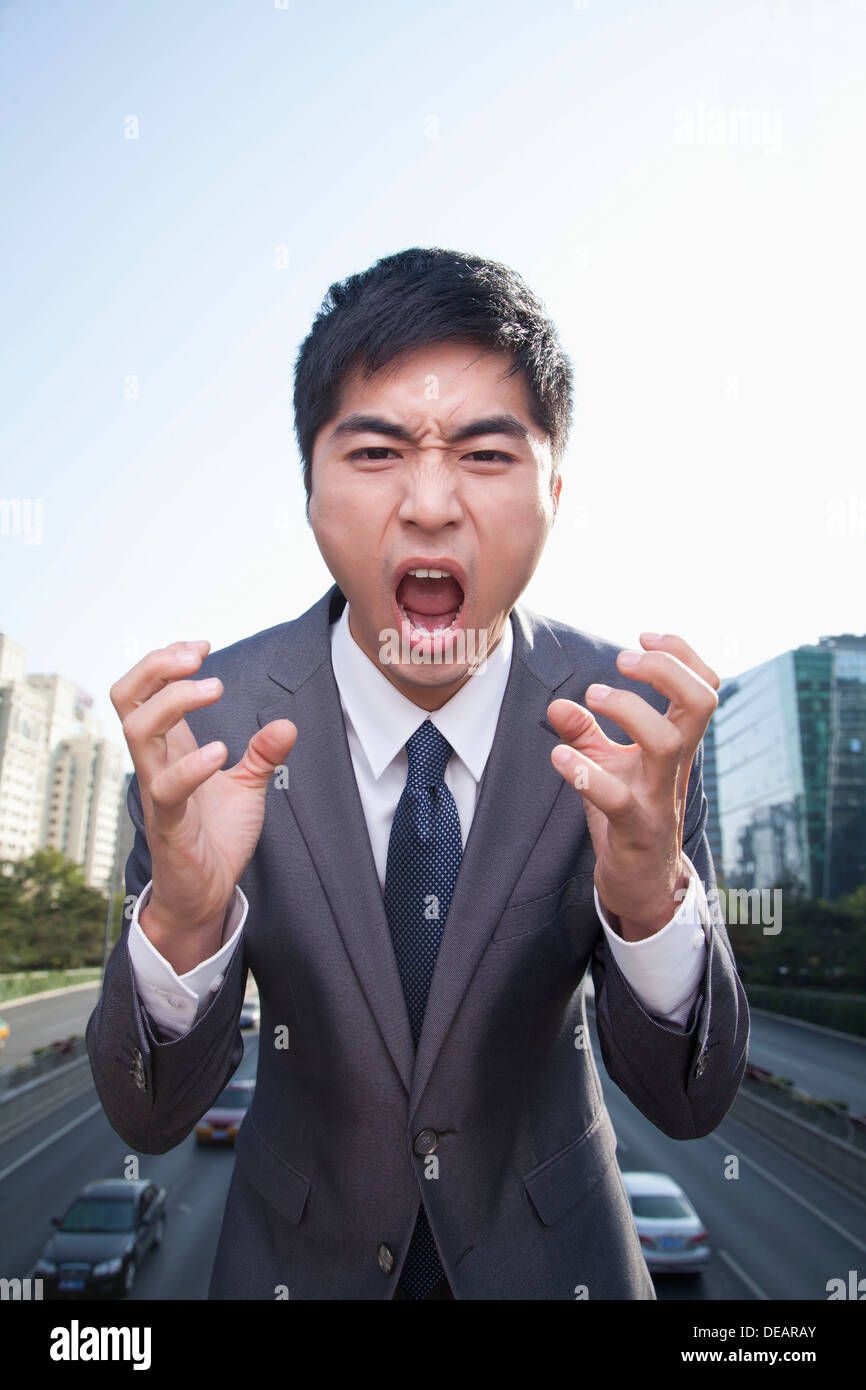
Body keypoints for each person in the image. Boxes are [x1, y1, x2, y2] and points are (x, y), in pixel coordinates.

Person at [86, 247, 749, 1300]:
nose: (430, 504)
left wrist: (645, 906)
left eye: (485, 456)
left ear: (553, 491)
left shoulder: (634, 731)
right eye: (377, 452)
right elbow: (149, 1114)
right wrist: (181, 924)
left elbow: (688, 1101)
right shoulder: (202, 725)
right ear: (308, 482)